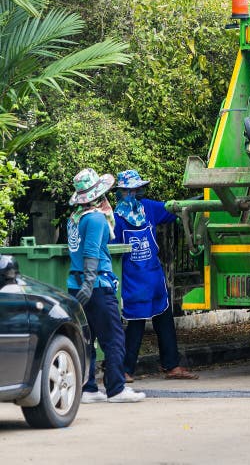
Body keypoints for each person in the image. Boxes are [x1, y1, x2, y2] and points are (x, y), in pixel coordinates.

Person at [67, 168, 146, 403]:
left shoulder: (74, 219)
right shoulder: (96, 218)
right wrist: (90, 282)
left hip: (76, 284)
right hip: (97, 285)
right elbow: (91, 252)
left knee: (87, 339)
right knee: (114, 338)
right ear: (99, 195)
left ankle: (88, 388)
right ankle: (116, 388)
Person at [113, 169, 197, 380]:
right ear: (120, 192)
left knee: (164, 320)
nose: (133, 194)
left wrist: (197, 200)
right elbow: (113, 253)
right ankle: (125, 370)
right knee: (136, 322)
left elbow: (172, 209)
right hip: (132, 279)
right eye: (128, 191)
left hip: (154, 278)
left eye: (136, 189)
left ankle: (172, 366)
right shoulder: (115, 219)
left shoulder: (148, 207)